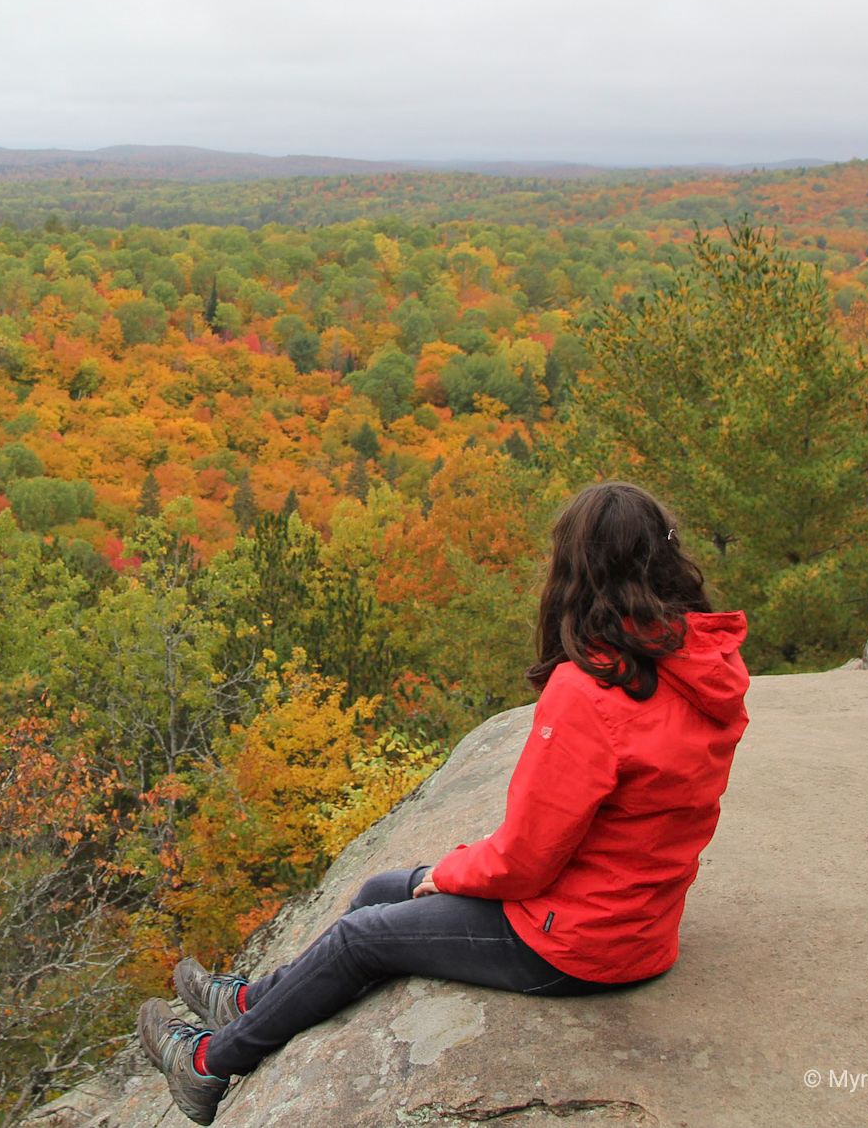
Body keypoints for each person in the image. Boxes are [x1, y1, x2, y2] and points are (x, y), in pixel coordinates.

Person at [136, 480, 752, 1125]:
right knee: (381, 888)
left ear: (574, 569)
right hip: (637, 922)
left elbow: (528, 861)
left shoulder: (591, 690)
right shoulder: (699, 664)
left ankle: (209, 1065)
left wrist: (446, 873)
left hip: (577, 944)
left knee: (358, 938)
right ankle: (253, 1002)